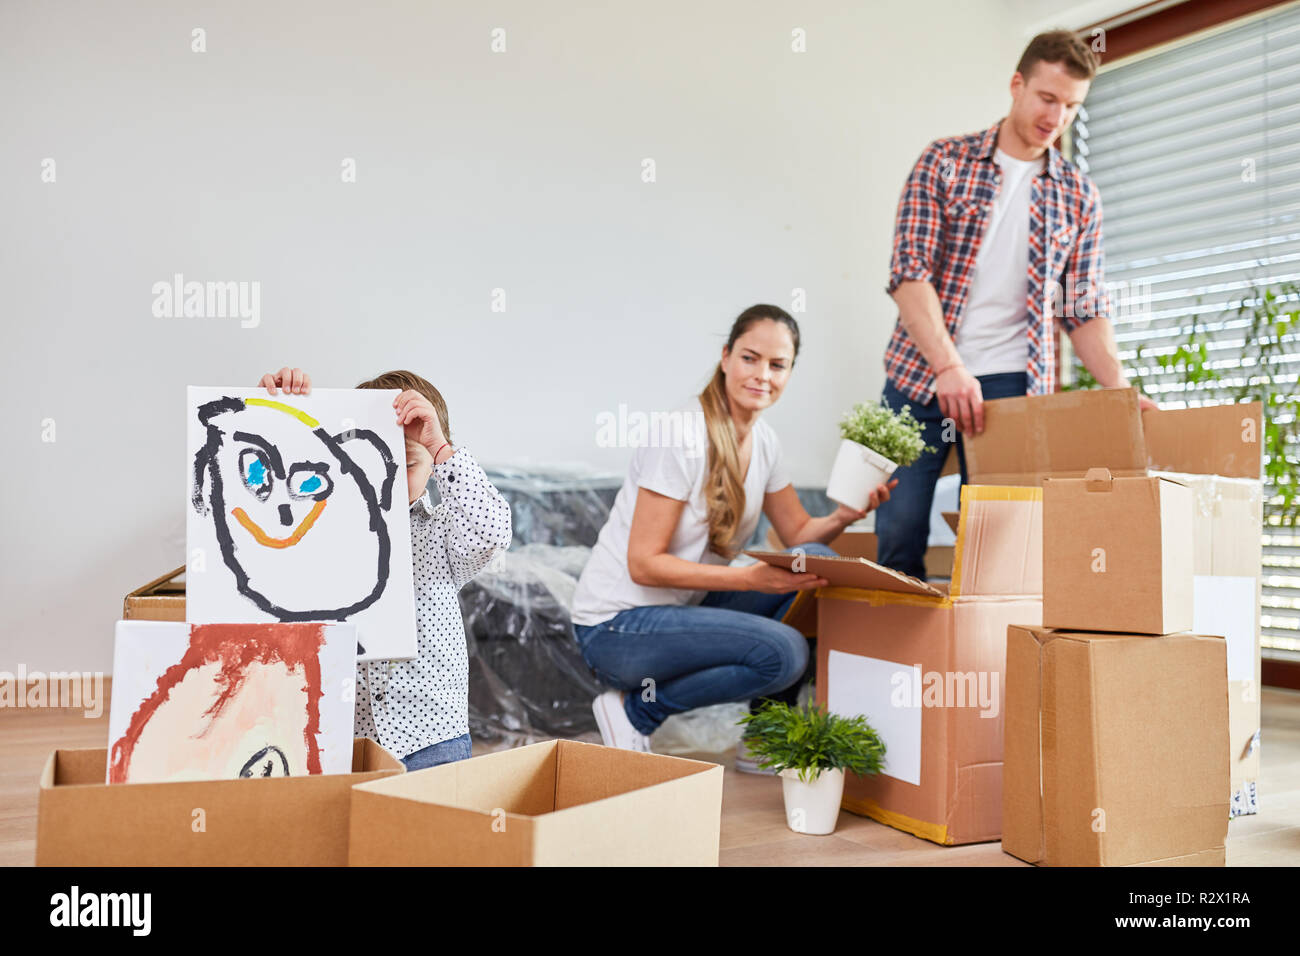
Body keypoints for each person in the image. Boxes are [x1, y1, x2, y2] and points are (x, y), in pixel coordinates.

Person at [875, 29, 1156, 581]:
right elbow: (909, 275)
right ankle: (894, 662)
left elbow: (1082, 307)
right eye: (1047, 99)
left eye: (1072, 106)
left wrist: (1121, 393)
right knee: (898, 532)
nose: (1057, 117)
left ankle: (980, 663)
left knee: (997, 549)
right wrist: (949, 367)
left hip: (1013, 386)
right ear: (1017, 85)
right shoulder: (944, 160)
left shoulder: (1079, 194)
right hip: (916, 376)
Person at [569, 306, 896, 769]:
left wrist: (847, 512)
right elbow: (644, 563)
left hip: (679, 612)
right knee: (784, 652)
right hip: (616, 627)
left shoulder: (764, 442)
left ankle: (763, 736)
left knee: (814, 556)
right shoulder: (680, 434)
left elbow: (799, 534)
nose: (762, 374)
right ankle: (636, 711)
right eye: (750, 358)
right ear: (725, 357)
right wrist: (751, 580)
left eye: (777, 365)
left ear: (789, 372)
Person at [255, 366, 513, 770]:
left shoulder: (441, 530)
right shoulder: (321, 533)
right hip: (345, 731)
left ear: (432, 468)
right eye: (375, 464)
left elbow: (491, 532)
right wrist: (275, 412)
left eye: (408, 463)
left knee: (433, 830)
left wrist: (440, 446)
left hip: (432, 732)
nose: (390, 478)